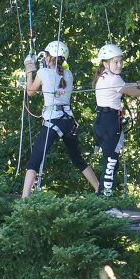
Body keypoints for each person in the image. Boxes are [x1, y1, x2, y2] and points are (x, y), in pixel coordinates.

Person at [21, 40, 100, 198]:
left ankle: (24, 198)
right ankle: (100, 189)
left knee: (35, 160)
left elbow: (30, 92)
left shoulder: (43, 73)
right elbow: (57, 75)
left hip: (53, 121)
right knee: (78, 159)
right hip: (67, 121)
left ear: (49, 57)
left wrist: (29, 70)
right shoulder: (68, 74)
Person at [92, 43, 140, 197]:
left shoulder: (104, 75)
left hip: (101, 120)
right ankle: (104, 198)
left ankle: (103, 195)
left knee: (111, 161)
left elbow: (125, 85)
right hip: (110, 122)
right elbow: (132, 92)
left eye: (120, 61)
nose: (119, 65)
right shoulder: (114, 79)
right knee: (111, 162)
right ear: (106, 63)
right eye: (115, 62)